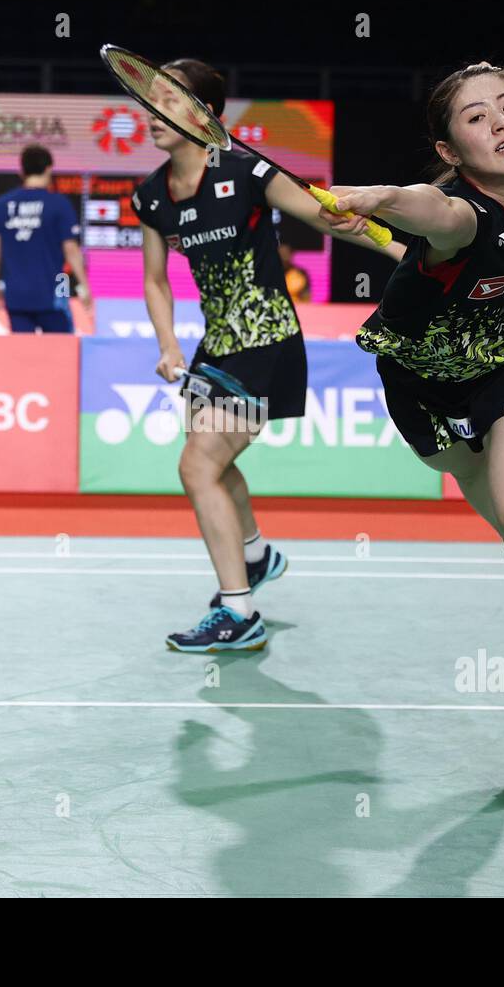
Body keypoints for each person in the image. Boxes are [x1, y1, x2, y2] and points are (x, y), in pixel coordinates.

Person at [319, 62, 504, 827]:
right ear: (447, 147)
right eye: (478, 117)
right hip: (425, 385)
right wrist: (379, 203)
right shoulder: (459, 212)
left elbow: (440, 240)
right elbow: (434, 216)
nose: (503, 121)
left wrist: (374, 216)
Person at [133, 57, 405, 652]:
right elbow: (155, 280)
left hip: (269, 340)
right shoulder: (151, 197)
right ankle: (253, 556)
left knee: (197, 467)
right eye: (150, 100)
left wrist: (405, 254)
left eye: (171, 101)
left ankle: (239, 613)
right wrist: (168, 342)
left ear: (206, 114)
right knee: (212, 465)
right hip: (217, 346)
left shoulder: (246, 170)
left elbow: (328, 218)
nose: (154, 113)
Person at [0, 145, 91, 332]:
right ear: (49, 168)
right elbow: (71, 250)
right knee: (62, 355)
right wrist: (84, 286)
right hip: (54, 293)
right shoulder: (59, 204)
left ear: (22, 171)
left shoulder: (1, 205)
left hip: (16, 296)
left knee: (22, 357)